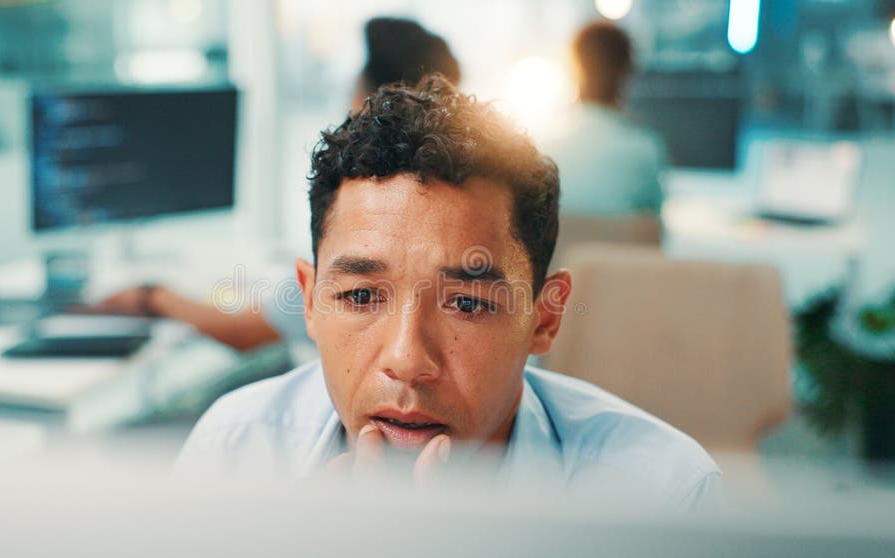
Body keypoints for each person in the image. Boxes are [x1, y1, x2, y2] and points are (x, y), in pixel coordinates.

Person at [177, 76, 721, 508]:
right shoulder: (237, 450)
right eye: (361, 297)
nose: (407, 361)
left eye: (466, 303)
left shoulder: (661, 496)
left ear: (544, 319)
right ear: (311, 300)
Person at [96, 17, 461, 352]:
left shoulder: (361, 225)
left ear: (369, 101)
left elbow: (240, 330)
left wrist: (151, 296)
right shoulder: (453, 203)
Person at [545, 21, 665, 216]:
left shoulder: (544, 147)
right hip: (624, 247)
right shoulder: (645, 150)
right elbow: (653, 232)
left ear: (573, 67)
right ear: (626, 72)